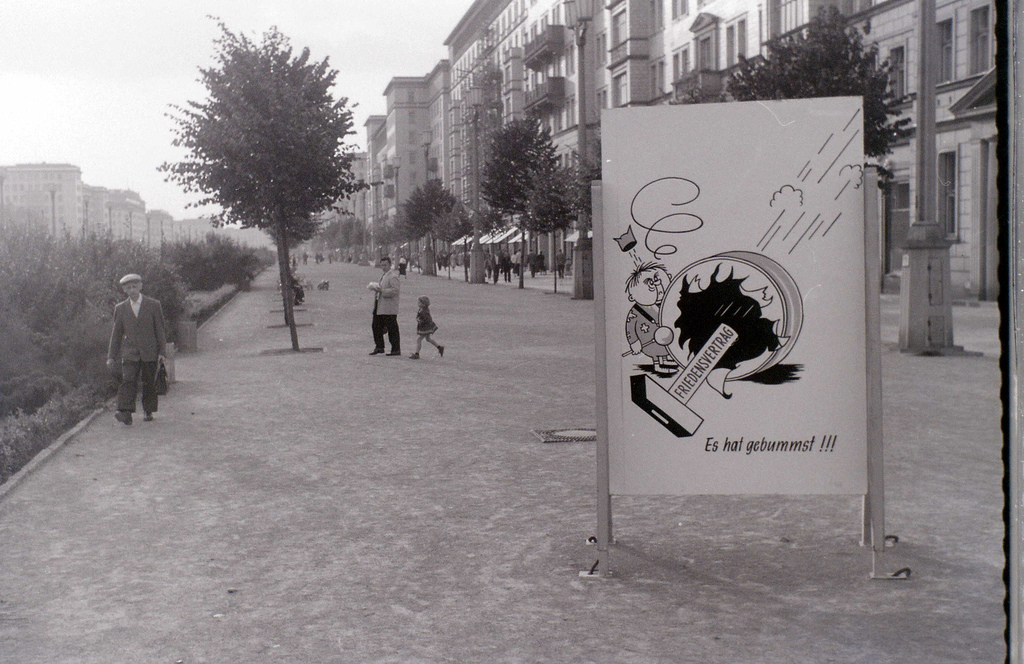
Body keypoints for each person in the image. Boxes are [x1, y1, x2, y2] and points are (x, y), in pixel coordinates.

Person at [107, 273, 167, 425]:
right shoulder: (120, 309)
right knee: (128, 380)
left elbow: (160, 330)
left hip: (150, 351)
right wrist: (111, 356)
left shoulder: (154, 305)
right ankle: (125, 413)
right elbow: (116, 334)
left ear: (140, 286)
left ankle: (148, 410)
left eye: (134, 286)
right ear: (124, 290)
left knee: (148, 382)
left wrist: (162, 352)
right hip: (130, 352)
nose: (132, 290)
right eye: (128, 288)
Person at [368, 256, 401, 356]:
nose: (383, 267)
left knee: (392, 328)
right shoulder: (384, 275)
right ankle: (379, 346)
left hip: (389, 307)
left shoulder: (393, 276)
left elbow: (395, 291)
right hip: (380, 305)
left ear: (390, 265)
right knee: (376, 326)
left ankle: (396, 349)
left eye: (385, 265)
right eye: (382, 265)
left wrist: (381, 290)